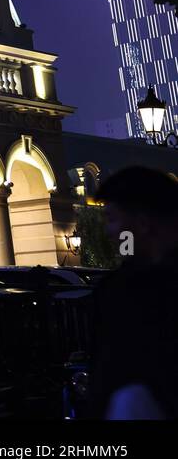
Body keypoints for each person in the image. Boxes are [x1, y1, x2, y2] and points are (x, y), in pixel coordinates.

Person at [89, 166, 178, 419]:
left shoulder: (124, 290)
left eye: (112, 218)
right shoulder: (120, 285)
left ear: (141, 223)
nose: (108, 231)